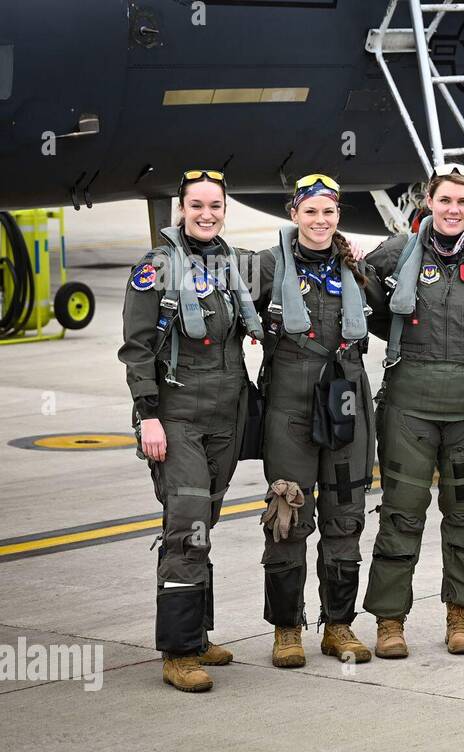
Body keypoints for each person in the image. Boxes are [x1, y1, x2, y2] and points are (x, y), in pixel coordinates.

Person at [119, 169, 264, 692]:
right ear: (181, 208)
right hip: (176, 416)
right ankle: (178, 654)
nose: (206, 214)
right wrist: (148, 415)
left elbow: (294, 267)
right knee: (185, 526)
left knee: (204, 522)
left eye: (215, 206)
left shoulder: (235, 266)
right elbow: (136, 347)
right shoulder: (155, 268)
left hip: (226, 416)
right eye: (196, 205)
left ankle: (198, 634)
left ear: (225, 210)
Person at [362, 163, 464, 658]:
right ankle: (390, 622)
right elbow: (367, 307)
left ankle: (461, 617)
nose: (453, 210)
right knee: (401, 515)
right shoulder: (395, 253)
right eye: (445, 200)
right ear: (428, 201)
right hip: (409, 403)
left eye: (463, 203)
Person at [251, 174, 378, 668]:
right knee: (286, 516)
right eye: (310, 212)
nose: (320, 221)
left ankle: (339, 625)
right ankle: (287, 630)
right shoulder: (267, 266)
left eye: (328, 212)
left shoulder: (355, 267)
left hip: (345, 397)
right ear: (294, 215)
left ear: (338, 216)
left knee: (345, 516)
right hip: (290, 404)